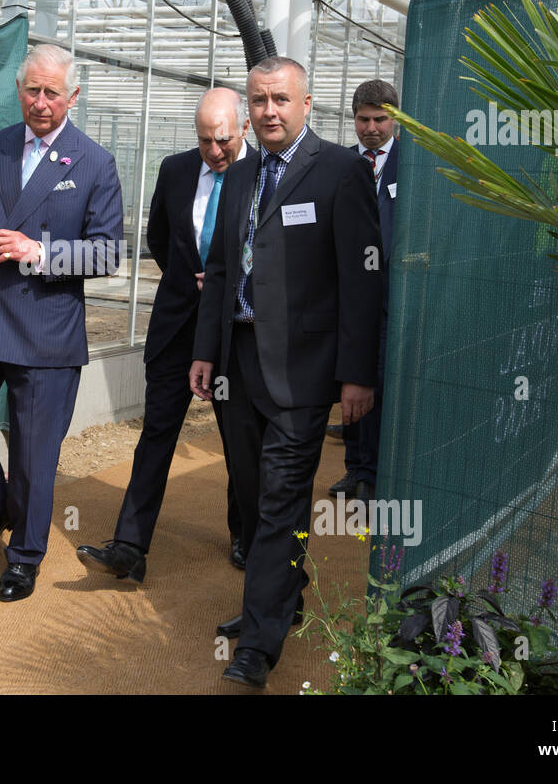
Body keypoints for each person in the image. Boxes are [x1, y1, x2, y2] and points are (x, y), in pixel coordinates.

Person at [189, 56, 383, 688]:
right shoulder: (239, 174)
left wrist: (357, 374)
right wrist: (205, 351)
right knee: (250, 492)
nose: (268, 110)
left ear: (305, 104)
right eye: (258, 100)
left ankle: (259, 644)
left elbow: (362, 277)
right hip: (238, 363)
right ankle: (285, 594)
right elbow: (220, 269)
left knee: (280, 501)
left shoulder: (341, 171)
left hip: (303, 370)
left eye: (280, 99)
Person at [0, 44, 124, 603]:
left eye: (52, 93)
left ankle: (24, 557)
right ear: (18, 90)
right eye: (31, 90)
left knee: (37, 456)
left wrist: (36, 250)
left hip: (47, 331)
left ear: (73, 96)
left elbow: (108, 252)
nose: (40, 103)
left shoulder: (94, 162)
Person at [75, 87, 250, 584]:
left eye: (223, 141)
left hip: (234, 331)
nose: (214, 152)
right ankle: (130, 546)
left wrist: (225, 280)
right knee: (155, 436)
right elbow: (158, 238)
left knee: (239, 438)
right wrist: (186, 277)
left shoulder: (261, 174)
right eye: (205, 142)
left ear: (243, 130)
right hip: (176, 327)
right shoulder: (175, 169)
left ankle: (245, 536)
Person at [330, 79, 400, 504]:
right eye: (363, 119)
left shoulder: (411, 165)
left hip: (393, 296)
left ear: (395, 119)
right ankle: (355, 470)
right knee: (350, 379)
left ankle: (374, 473)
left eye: (380, 119)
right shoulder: (341, 165)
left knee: (380, 381)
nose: (371, 128)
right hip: (348, 294)